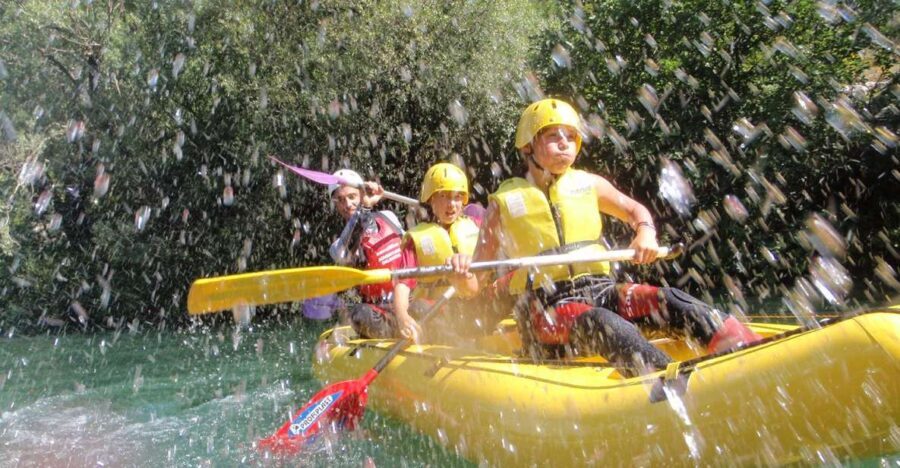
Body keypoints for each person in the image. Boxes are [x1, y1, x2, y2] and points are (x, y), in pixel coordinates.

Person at [449, 98, 760, 373]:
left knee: (670, 300)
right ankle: (670, 383)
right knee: (604, 324)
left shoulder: (590, 184)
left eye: (570, 136)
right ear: (528, 146)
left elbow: (636, 210)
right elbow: (474, 284)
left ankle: (750, 351)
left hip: (601, 290)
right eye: (553, 136)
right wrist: (462, 275)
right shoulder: (502, 204)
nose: (564, 143)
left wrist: (646, 233)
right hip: (546, 308)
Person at [390, 163, 481, 343]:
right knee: (419, 308)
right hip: (435, 308)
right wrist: (402, 316)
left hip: (471, 307)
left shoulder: (475, 226)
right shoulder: (417, 239)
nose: (451, 204)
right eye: (443, 196)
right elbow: (403, 284)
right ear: (431, 199)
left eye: (457, 197)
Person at [327, 169, 406, 338]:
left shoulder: (388, 217)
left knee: (422, 306)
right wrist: (364, 207)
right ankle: (396, 336)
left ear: (361, 195)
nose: (347, 204)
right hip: (379, 312)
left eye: (352, 197)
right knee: (359, 314)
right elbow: (346, 250)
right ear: (336, 205)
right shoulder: (338, 246)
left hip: (407, 300)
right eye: (340, 200)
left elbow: (412, 248)